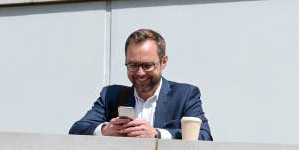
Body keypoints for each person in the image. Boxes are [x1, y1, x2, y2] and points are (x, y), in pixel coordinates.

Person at [69, 28, 212, 140]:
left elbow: (204, 137)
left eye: (147, 65)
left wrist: (157, 134)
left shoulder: (185, 95)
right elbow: (76, 129)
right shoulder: (110, 95)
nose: (140, 73)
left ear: (163, 62)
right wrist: (105, 130)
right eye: (133, 65)